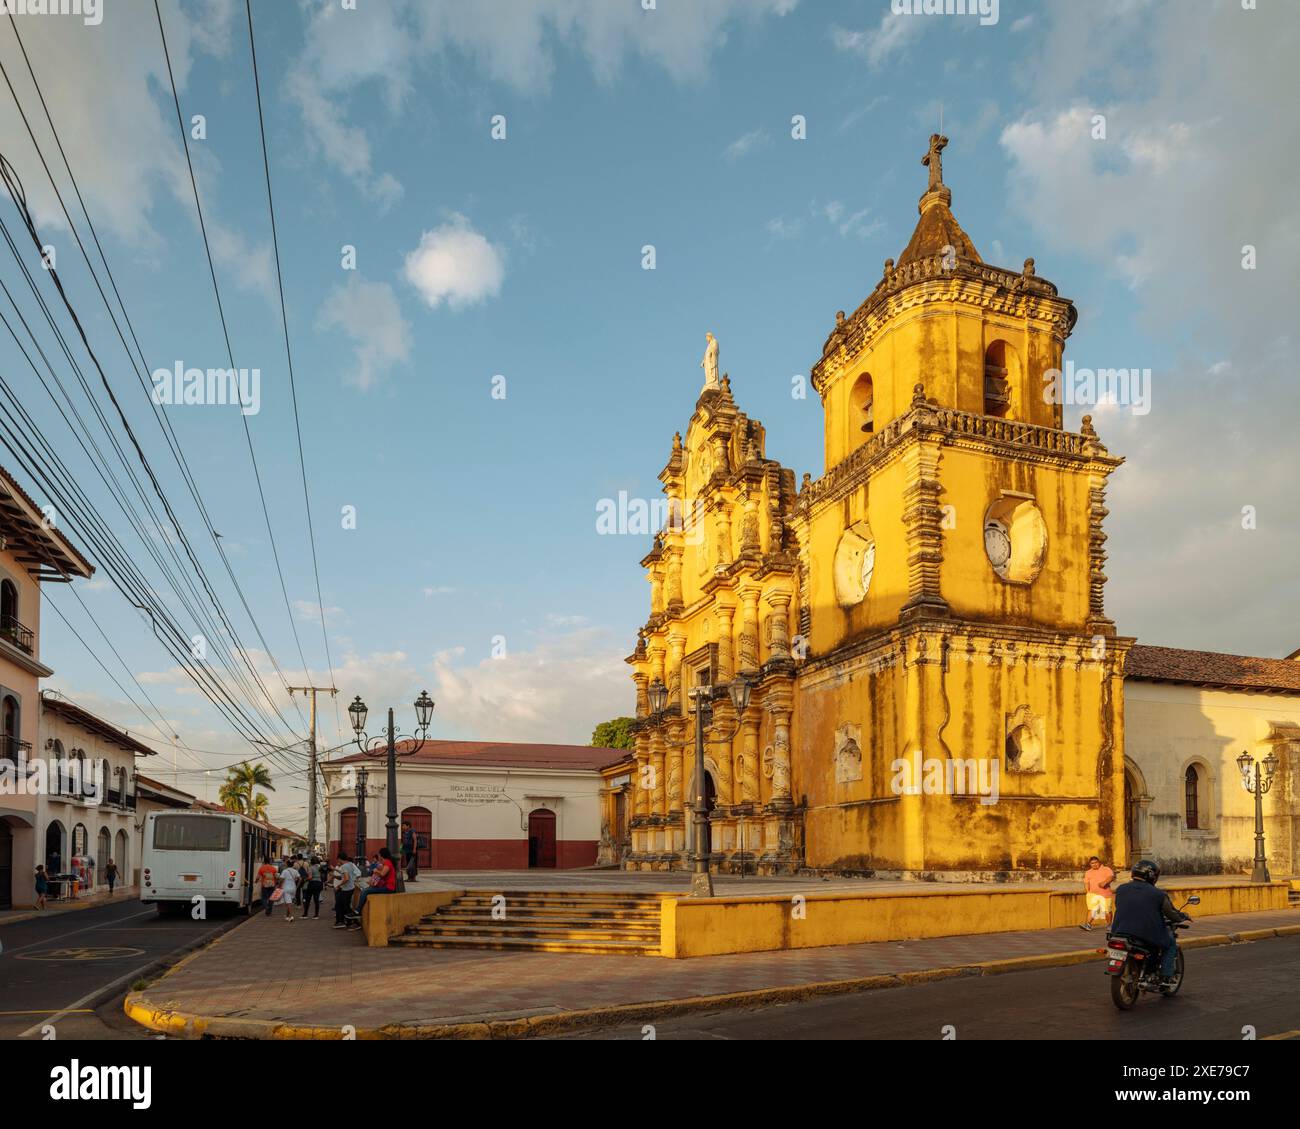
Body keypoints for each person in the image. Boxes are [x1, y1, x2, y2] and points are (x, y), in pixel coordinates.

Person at [1110, 859, 1191, 985]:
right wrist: (1183, 917)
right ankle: (1166, 976)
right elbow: (1171, 914)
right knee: (1170, 944)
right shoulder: (1158, 894)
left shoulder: (1121, 889)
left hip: (1119, 931)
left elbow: (1119, 905)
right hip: (1145, 933)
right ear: (1152, 876)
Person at [353, 846, 397, 919]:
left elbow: (383, 873)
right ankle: (358, 910)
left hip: (388, 888)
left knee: (365, 891)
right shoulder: (385, 863)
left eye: (379, 855)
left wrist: (376, 871)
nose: (378, 856)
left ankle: (358, 911)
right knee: (367, 889)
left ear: (382, 855)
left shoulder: (388, 863)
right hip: (385, 886)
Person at [1079, 855, 1115, 930]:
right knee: (1092, 909)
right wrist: (1088, 891)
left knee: (1107, 910)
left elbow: (1111, 877)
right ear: (1090, 864)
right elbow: (1086, 882)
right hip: (1093, 894)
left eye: (1096, 862)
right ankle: (1088, 925)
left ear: (1099, 862)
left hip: (1105, 894)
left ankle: (1109, 925)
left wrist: (1104, 882)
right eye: (1092, 863)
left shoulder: (1106, 869)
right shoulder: (1088, 872)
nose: (1094, 864)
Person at [332, 853, 362, 929]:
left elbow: (346, 878)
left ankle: (353, 923)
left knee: (343, 906)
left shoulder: (344, 866)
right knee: (344, 905)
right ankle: (345, 922)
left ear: (339, 859)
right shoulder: (350, 864)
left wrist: (338, 886)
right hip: (350, 888)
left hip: (346, 889)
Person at [277, 858, 299, 923]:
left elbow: (281, 879)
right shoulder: (295, 871)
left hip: (286, 888)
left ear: (287, 865)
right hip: (293, 888)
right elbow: (299, 878)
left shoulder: (285, 871)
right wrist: (296, 884)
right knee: (289, 902)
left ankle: (291, 916)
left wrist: (279, 885)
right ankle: (287, 916)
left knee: (288, 903)